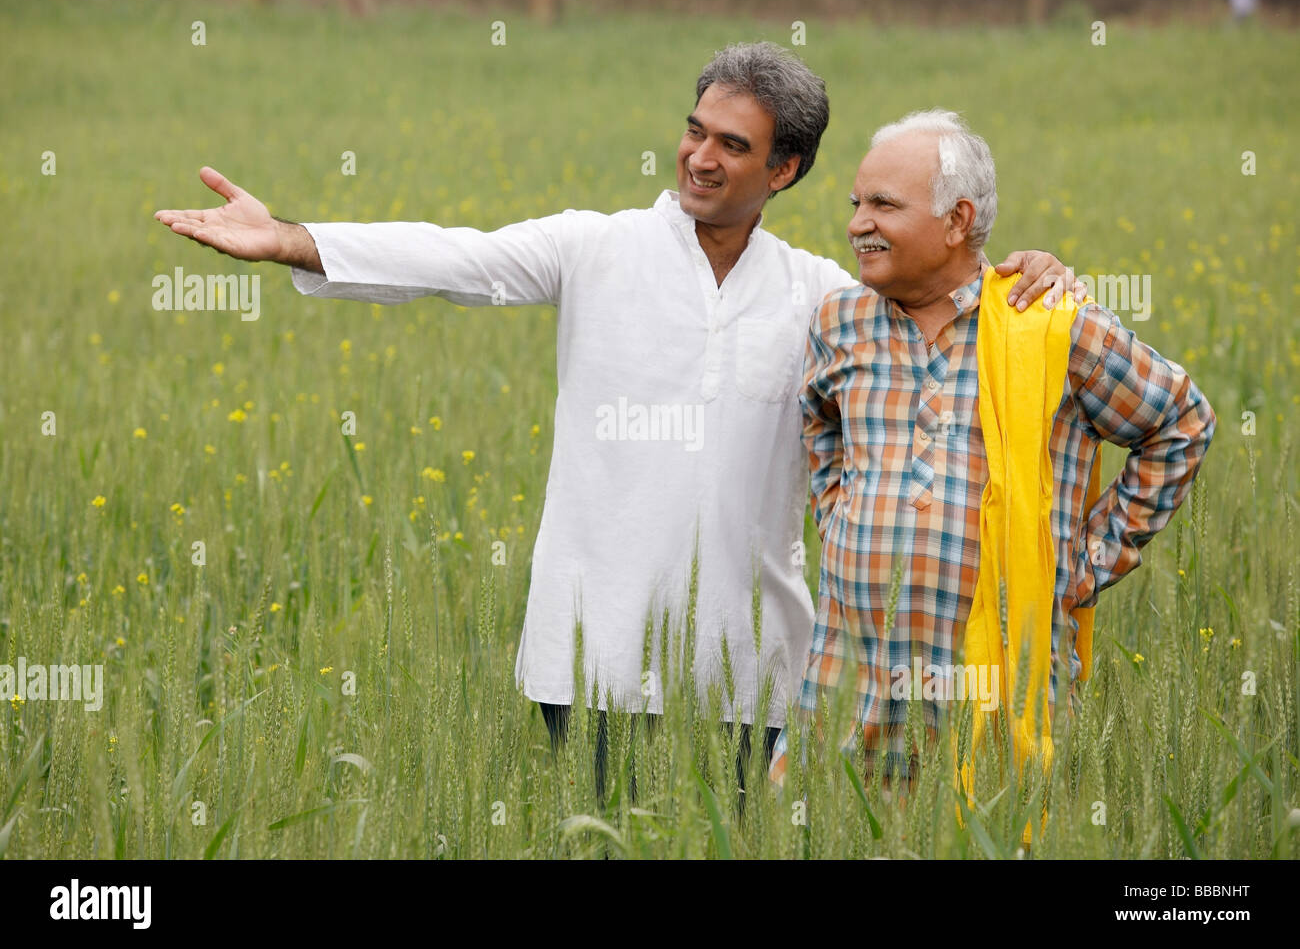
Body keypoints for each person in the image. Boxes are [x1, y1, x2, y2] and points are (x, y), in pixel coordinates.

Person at [155, 44, 1079, 802]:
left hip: (756, 675)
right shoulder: (596, 247)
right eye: (694, 131)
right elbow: (458, 259)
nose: (700, 158)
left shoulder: (824, 300)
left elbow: (940, 313)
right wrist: (290, 239)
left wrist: (1027, 276)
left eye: (733, 144)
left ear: (786, 169)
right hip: (589, 664)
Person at [771, 109, 1216, 797]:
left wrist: (1081, 565)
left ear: (958, 220)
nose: (858, 222)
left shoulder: (1049, 322)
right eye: (856, 203)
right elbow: (821, 426)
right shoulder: (840, 322)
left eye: (884, 204)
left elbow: (1181, 423)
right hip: (847, 686)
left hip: (997, 693)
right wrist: (839, 520)